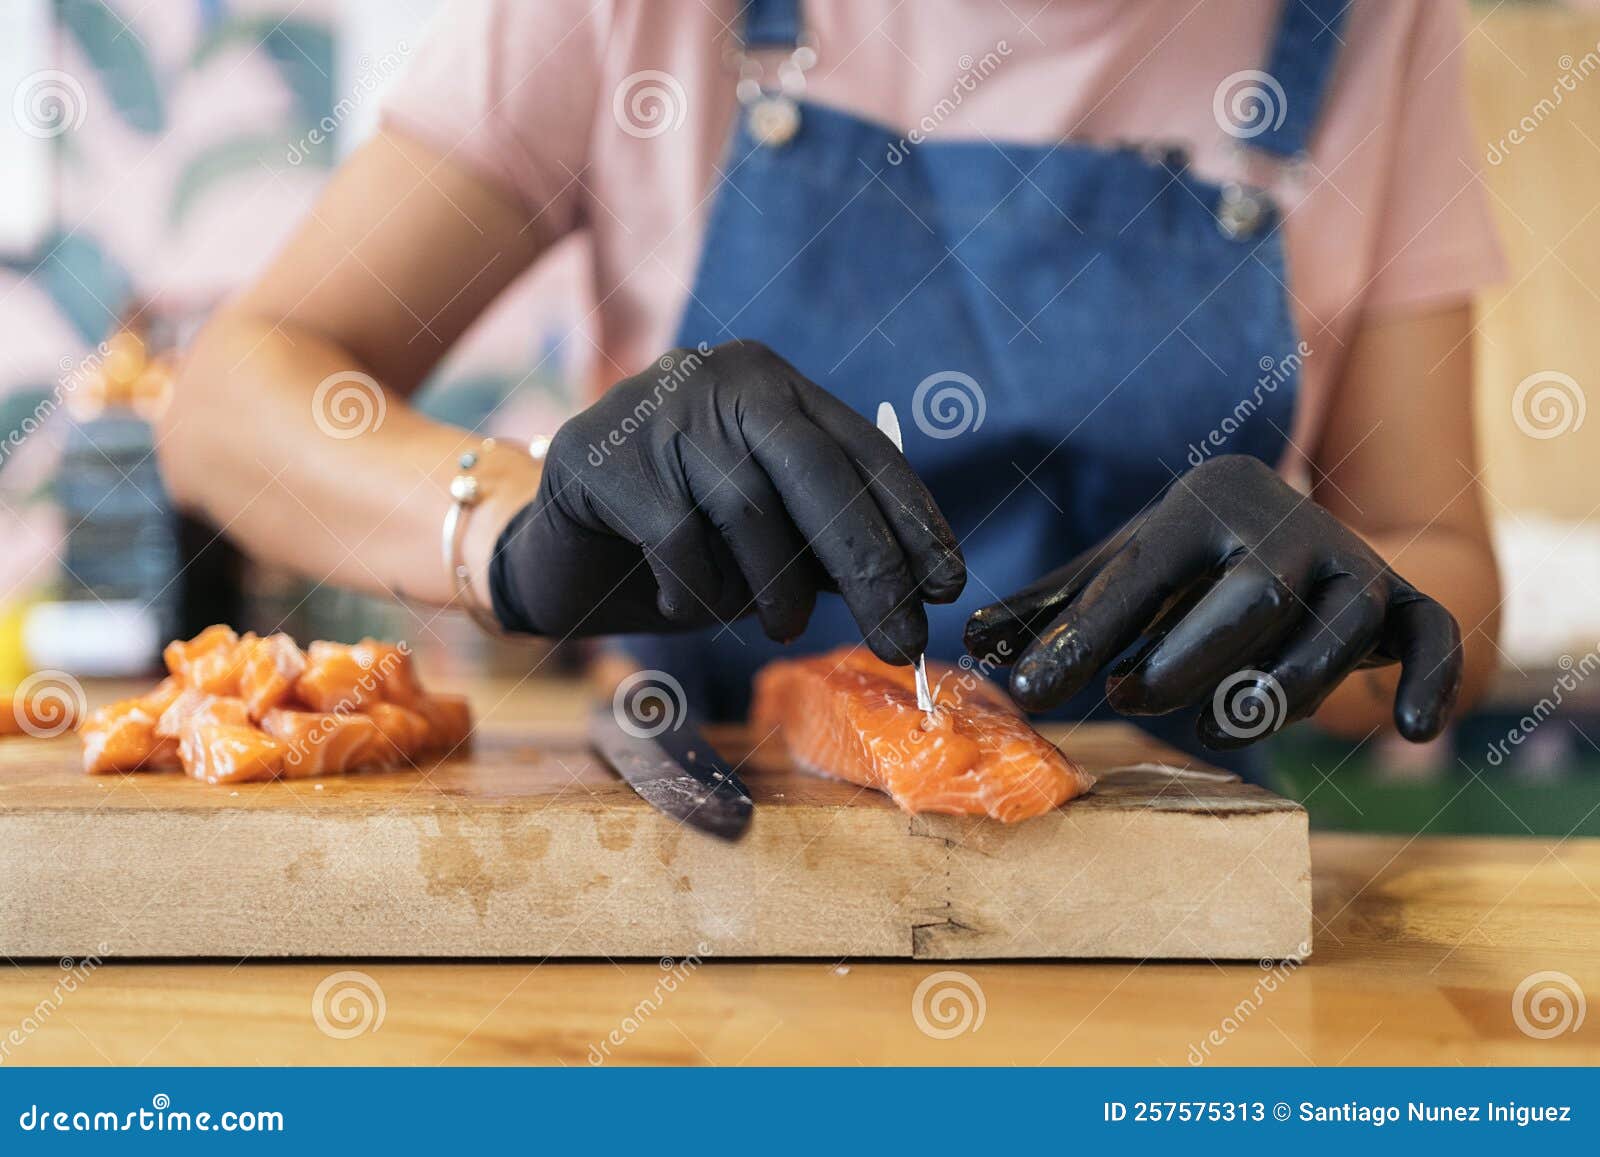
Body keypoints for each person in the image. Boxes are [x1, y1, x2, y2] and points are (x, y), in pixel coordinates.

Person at [161, 0, 1503, 766]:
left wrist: (1332, 611)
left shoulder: (1375, 26)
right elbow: (231, 396)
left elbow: (1453, 583)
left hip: (1175, 928)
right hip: (697, 866)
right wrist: (516, 528)